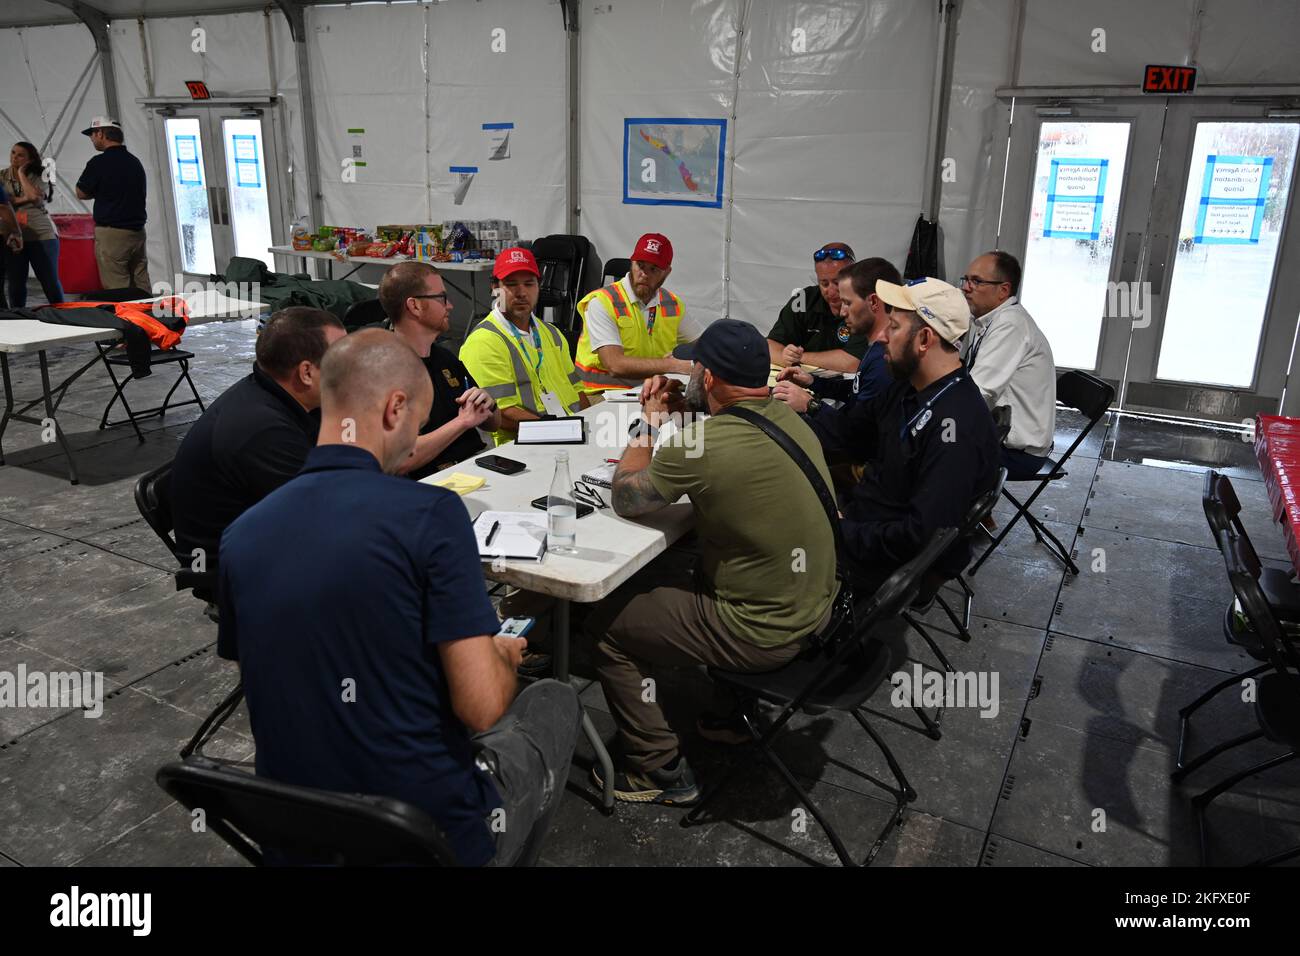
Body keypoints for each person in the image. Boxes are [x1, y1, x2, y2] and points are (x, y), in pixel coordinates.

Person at [217, 328, 581, 867]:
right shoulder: (430, 516)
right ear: (394, 409)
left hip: (293, 830)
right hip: (418, 836)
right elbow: (480, 707)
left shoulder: (242, 533)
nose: (416, 440)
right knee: (555, 701)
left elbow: (279, 662)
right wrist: (499, 659)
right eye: (418, 422)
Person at [583, 319, 839, 805]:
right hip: (815, 609)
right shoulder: (789, 420)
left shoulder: (703, 446)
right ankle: (728, 717)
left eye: (695, 368)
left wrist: (649, 423)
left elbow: (627, 497)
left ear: (710, 377)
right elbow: (730, 459)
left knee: (604, 627)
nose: (689, 375)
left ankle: (657, 768)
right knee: (686, 563)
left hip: (761, 630)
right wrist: (688, 414)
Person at [833, 277, 1001, 587]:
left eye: (894, 326)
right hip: (866, 517)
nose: (881, 336)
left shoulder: (956, 428)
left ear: (924, 339)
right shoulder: (908, 388)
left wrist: (837, 530)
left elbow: (918, 537)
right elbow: (850, 432)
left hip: (883, 558)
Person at [171, 307, 347, 592]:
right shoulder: (263, 431)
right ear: (306, 372)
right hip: (240, 571)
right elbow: (325, 519)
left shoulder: (287, 397)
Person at [378, 260, 500, 479]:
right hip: (432, 483)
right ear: (414, 306)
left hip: (476, 468)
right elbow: (402, 458)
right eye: (442, 298)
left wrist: (487, 404)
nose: (450, 305)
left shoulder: (444, 357)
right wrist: (462, 422)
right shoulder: (382, 371)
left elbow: (494, 424)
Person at [772, 257, 902, 459]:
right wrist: (814, 382)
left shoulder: (884, 360)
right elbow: (859, 394)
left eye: (848, 303)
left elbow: (857, 440)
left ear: (874, 302)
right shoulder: (877, 351)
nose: (842, 312)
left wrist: (810, 405)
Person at [459, 247, 588, 445]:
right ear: (495, 288)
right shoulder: (483, 342)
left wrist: (589, 425)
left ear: (539, 286)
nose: (521, 293)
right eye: (511, 285)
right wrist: (558, 433)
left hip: (569, 433)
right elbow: (501, 413)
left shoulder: (551, 333)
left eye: (529, 284)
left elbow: (576, 389)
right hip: (520, 444)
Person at [959, 250, 1057, 479]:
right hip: (1000, 439)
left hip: (1017, 453)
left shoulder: (1010, 325)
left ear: (1003, 290)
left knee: (925, 451)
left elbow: (980, 392)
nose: (966, 287)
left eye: (976, 281)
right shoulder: (992, 320)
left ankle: (950, 513)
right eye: (966, 280)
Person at [573, 232, 692, 391]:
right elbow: (615, 365)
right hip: (601, 394)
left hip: (649, 390)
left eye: (654, 269)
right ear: (632, 262)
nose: (644, 274)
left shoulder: (671, 303)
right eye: (640, 265)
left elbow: (703, 343)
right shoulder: (601, 302)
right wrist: (674, 365)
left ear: (667, 272)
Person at [75, 117, 150, 292]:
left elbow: (81, 192)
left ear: (100, 133)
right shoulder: (134, 162)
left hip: (112, 235)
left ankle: (126, 319)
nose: (92, 139)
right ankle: (148, 316)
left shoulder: (98, 163)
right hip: (137, 232)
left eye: (92, 135)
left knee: (117, 286)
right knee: (141, 281)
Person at [767, 242, 864, 373]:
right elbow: (770, 346)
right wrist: (786, 355)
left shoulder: (866, 305)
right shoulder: (803, 299)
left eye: (837, 282)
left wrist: (799, 357)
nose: (831, 291)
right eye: (824, 283)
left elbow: (852, 362)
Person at [1, 142, 62, 307]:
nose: (14, 157)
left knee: (49, 280)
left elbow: (35, 198)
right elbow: (6, 202)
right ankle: (18, 319)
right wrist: (26, 197)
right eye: (13, 153)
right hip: (13, 234)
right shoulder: (2, 175)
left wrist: (21, 173)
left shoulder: (42, 174)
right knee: (16, 283)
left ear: (30, 159)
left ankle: (63, 313)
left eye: (20, 155)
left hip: (42, 235)